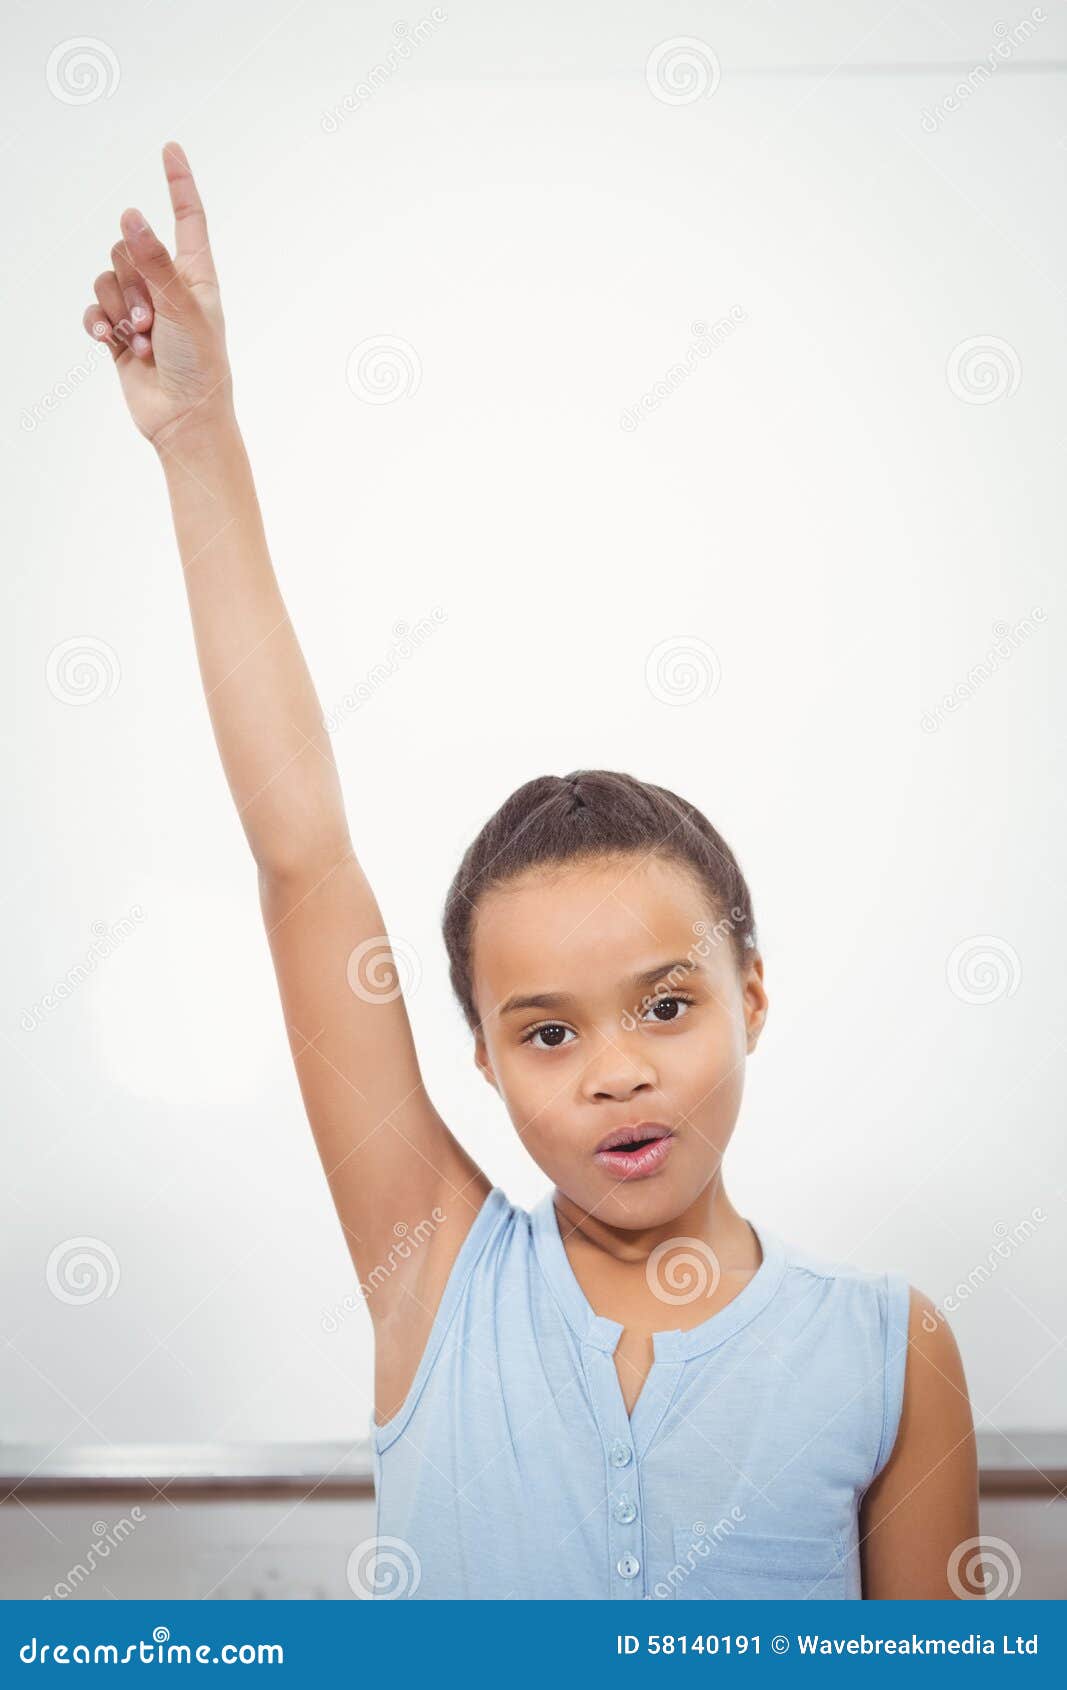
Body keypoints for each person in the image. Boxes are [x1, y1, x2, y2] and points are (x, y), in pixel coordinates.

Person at [83, 142, 980, 1601]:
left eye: (668, 1005)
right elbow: (302, 854)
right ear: (484, 1063)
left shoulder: (889, 1350)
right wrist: (200, 439)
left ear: (753, 991)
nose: (615, 1071)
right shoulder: (430, 1269)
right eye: (548, 1031)